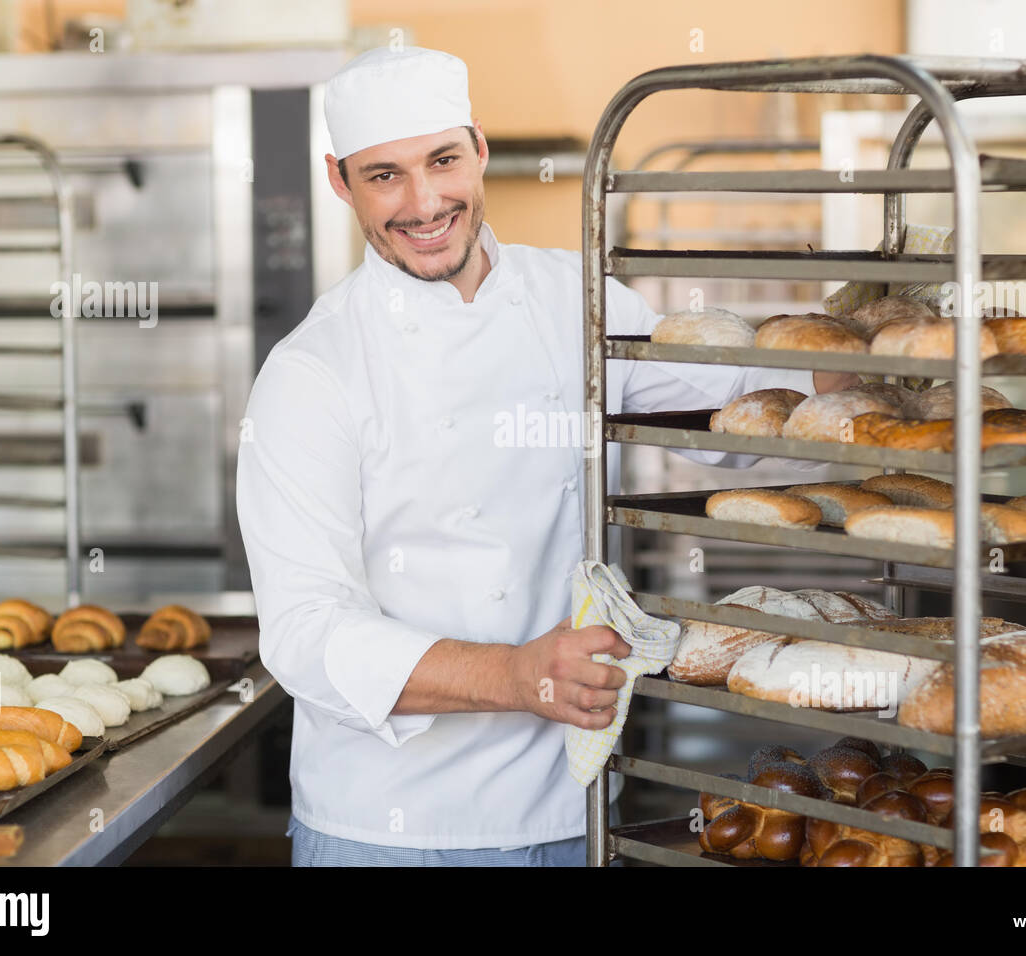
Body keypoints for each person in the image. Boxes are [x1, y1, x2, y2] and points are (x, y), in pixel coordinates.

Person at [235, 45, 855, 867]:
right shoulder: (313, 371)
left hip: (573, 807)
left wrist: (868, 359)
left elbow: (725, 407)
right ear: (339, 181)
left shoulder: (577, 299)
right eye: (384, 176)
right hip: (391, 828)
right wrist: (519, 676)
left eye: (443, 161)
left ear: (479, 149)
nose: (425, 203)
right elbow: (305, 633)